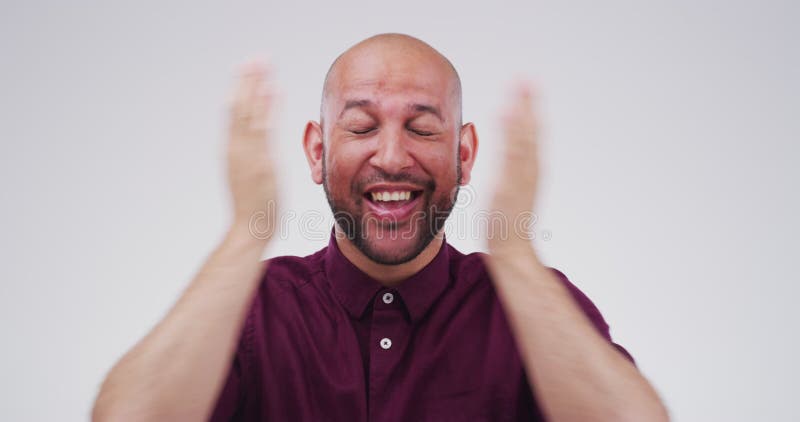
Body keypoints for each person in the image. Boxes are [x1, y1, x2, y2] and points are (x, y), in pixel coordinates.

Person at [92, 33, 668, 421]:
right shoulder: (249, 311)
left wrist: (513, 254)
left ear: (465, 154)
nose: (391, 157)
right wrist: (247, 231)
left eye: (421, 129)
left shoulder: (530, 308)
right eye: (362, 127)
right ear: (316, 151)